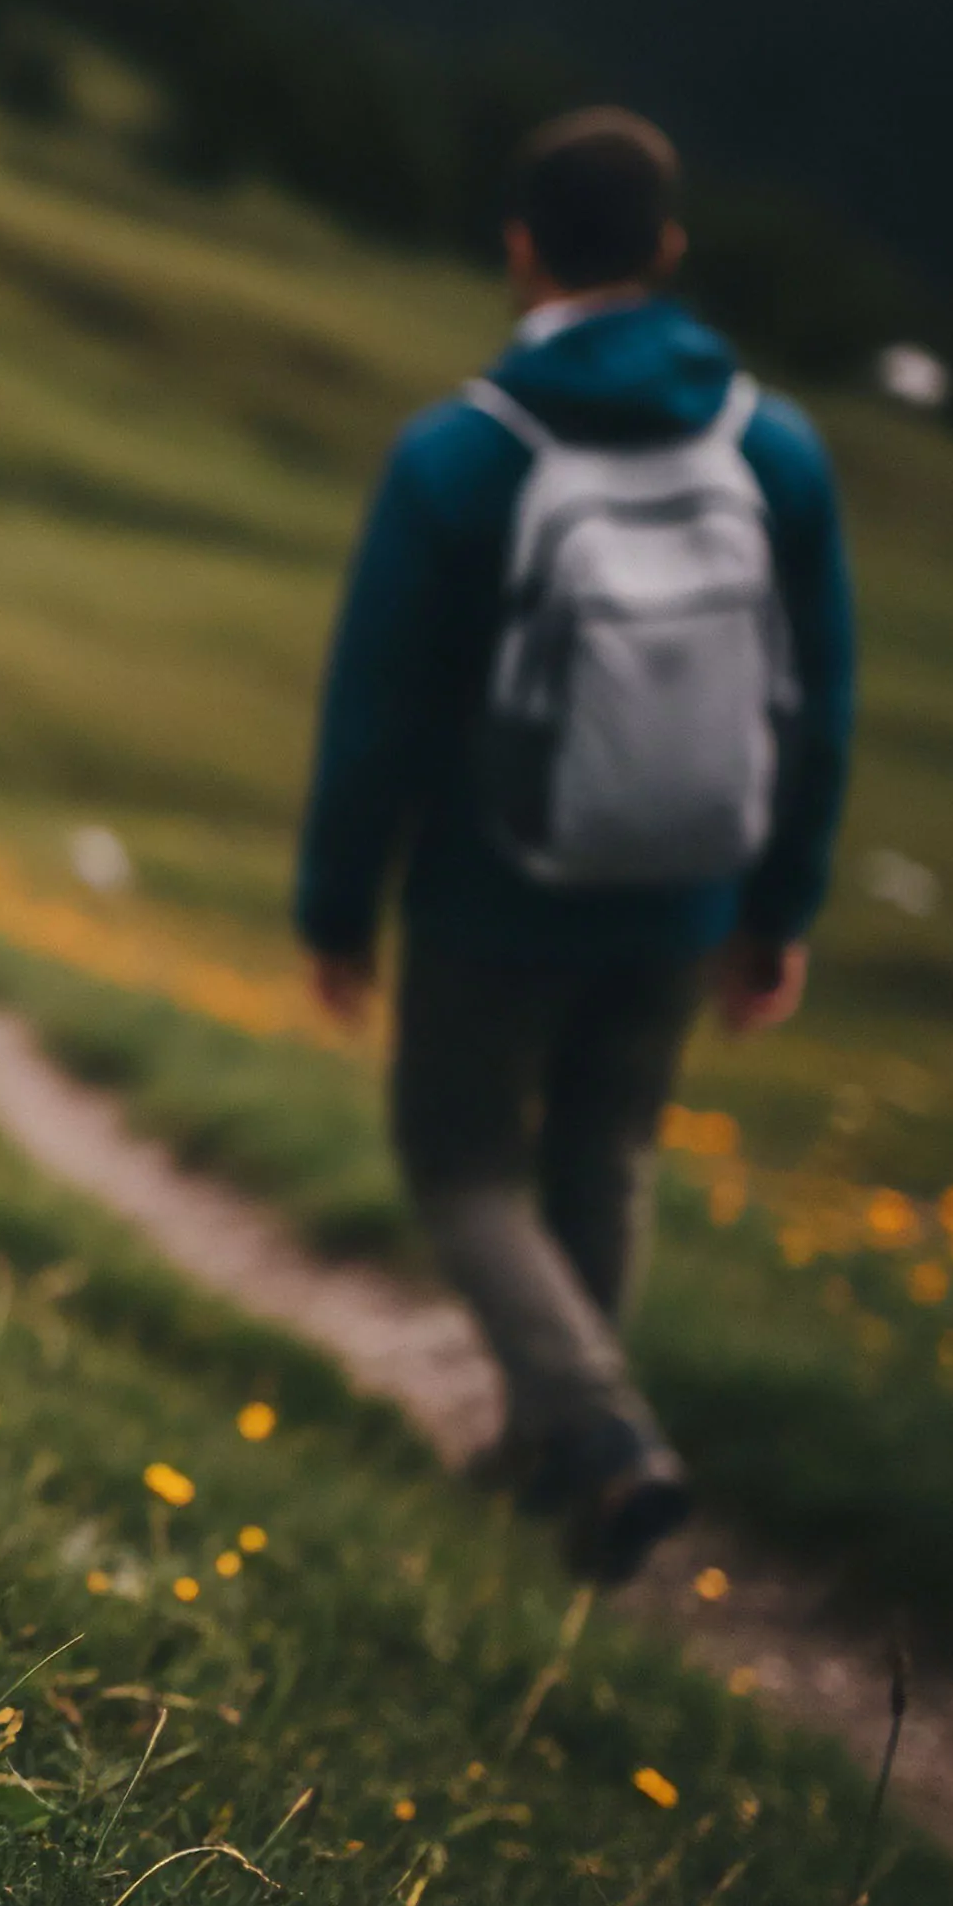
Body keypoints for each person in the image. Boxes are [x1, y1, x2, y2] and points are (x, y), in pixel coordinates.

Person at [293, 107, 855, 1585]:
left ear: (519, 249)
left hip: (495, 888)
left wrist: (337, 906)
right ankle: (554, 1463)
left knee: (460, 1163)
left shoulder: (462, 455)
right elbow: (817, 705)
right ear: (666, 252)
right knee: (601, 1157)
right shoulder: (773, 446)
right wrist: (777, 906)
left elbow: (377, 716)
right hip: (683, 888)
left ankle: (596, 1440)